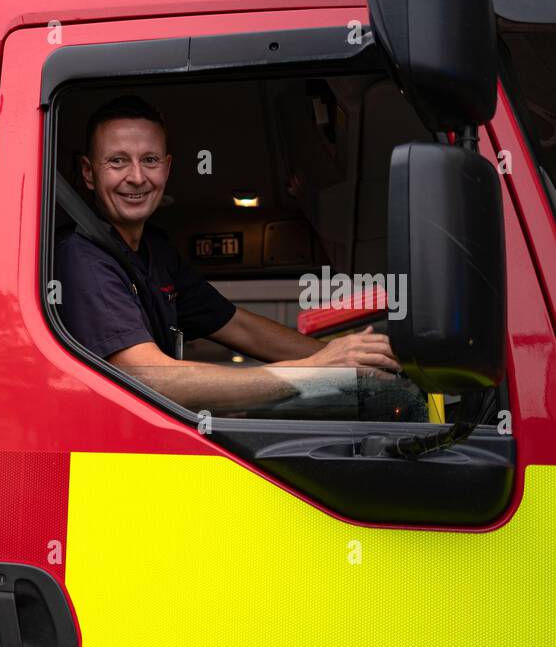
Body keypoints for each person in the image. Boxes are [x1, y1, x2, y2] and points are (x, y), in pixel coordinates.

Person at [56, 96, 401, 413]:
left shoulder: (157, 252)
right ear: (88, 172)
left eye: (150, 160)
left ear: (168, 167)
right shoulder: (82, 258)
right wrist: (317, 370)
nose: (136, 177)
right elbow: (148, 376)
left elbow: (240, 327)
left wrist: (356, 360)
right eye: (117, 161)